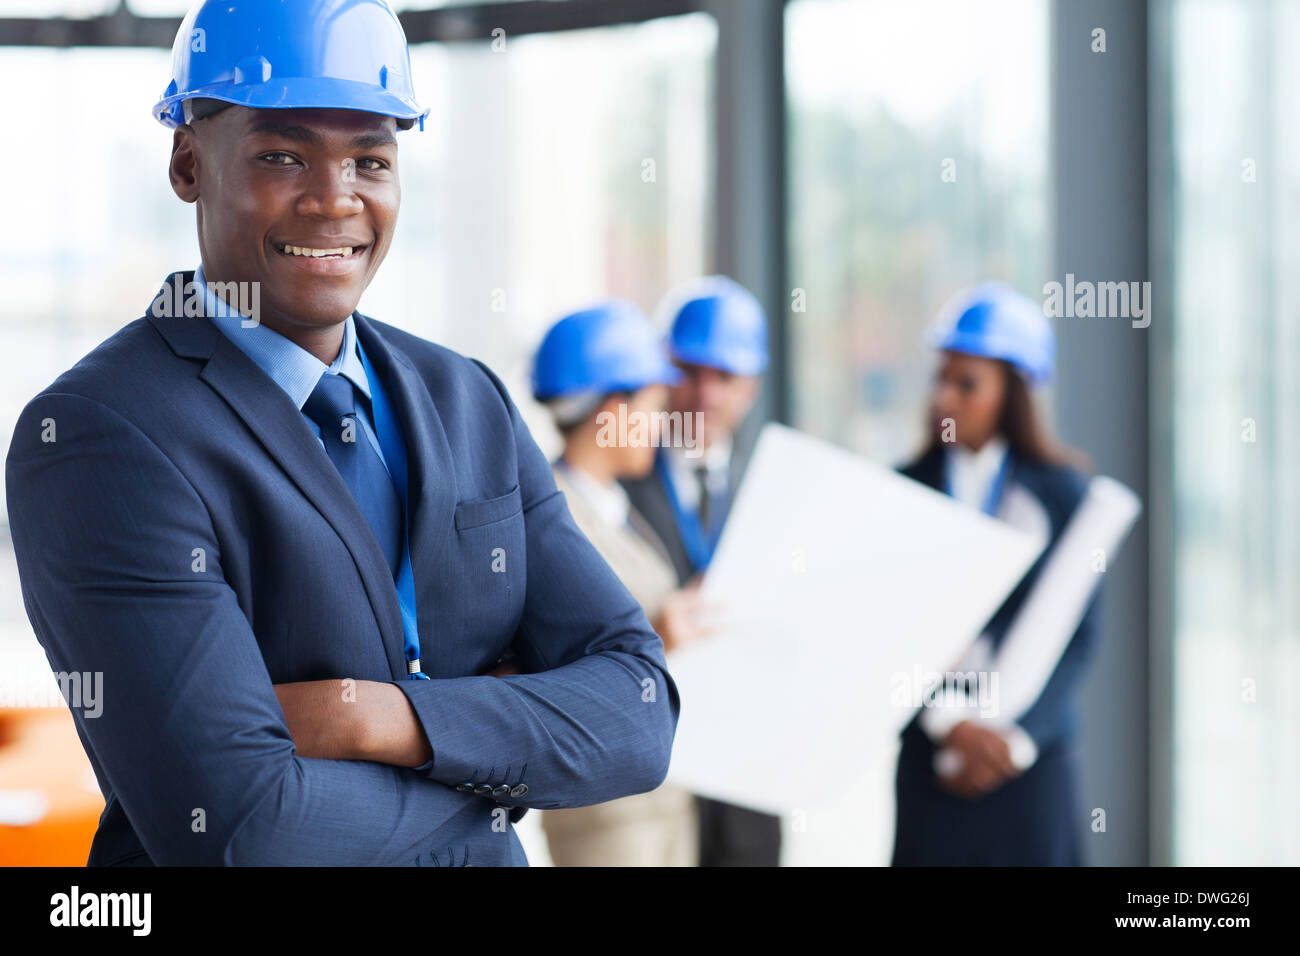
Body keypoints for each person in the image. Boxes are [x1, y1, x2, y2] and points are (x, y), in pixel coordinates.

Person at [4, 0, 677, 867]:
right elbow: (247, 829)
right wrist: (500, 778)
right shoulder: (101, 436)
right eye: (282, 156)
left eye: (371, 159)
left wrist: (377, 717)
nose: (334, 200)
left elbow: (641, 711)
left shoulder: (465, 399)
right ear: (187, 164)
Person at [891, 281, 1099, 866]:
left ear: (1015, 391)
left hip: (1026, 771)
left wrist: (1015, 742)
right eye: (941, 378)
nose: (945, 398)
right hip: (931, 764)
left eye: (968, 384)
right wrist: (947, 724)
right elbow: (882, 625)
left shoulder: (1065, 497)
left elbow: (1081, 641)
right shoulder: (903, 489)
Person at [529, 299, 715, 866]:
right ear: (614, 409)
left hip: (662, 800)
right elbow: (546, 668)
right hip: (608, 818)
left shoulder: (616, 508)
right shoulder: (551, 517)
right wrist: (658, 636)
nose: (662, 426)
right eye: (656, 406)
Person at [621, 276, 783, 867]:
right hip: (653, 772)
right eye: (691, 371)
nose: (706, 394)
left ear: (752, 386)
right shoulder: (615, 484)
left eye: (727, 377)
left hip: (750, 770)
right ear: (663, 370)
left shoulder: (779, 488)